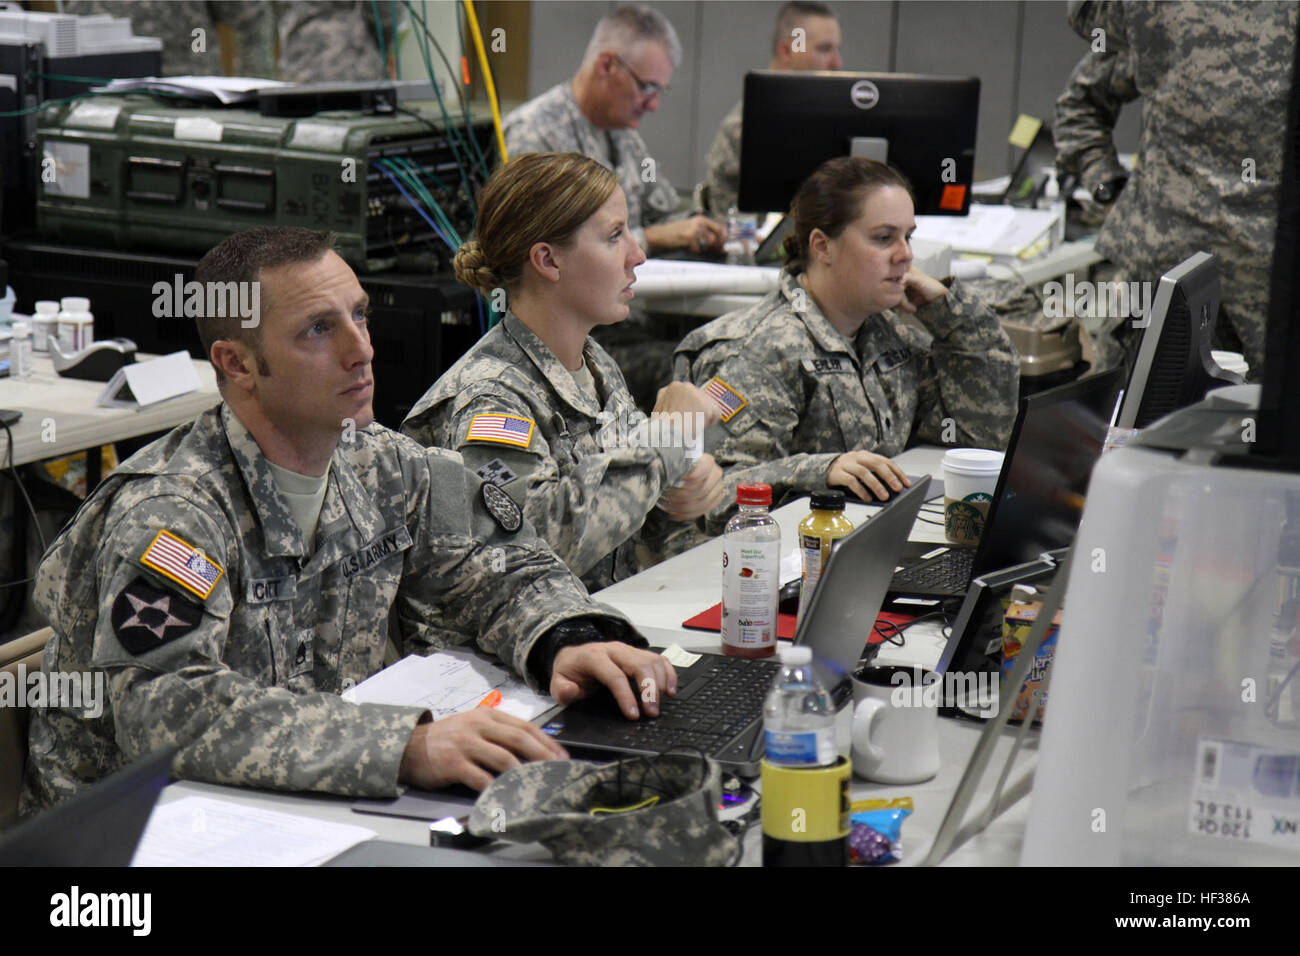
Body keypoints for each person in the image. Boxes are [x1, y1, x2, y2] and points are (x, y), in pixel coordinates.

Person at [20, 227, 677, 815]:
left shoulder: (385, 463)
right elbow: (166, 710)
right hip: (137, 834)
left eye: (359, 316)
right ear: (237, 363)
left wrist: (566, 636)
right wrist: (405, 747)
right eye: (317, 329)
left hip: (300, 807)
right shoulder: (174, 512)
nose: (361, 348)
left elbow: (501, 561)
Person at [403, 153, 726, 591]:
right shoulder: (490, 398)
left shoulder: (594, 364)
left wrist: (676, 487)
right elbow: (535, 549)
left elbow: (615, 525)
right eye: (614, 236)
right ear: (549, 262)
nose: (638, 254)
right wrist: (668, 438)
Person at [674, 158, 1019, 532]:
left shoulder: (886, 332)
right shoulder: (758, 351)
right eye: (884, 238)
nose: (906, 255)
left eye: (908, 236)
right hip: (771, 567)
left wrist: (953, 315)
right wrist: (822, 471)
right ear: (822, 246)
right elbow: (715, 502)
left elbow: (979, 437)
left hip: (865, 539)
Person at [1061, 0, 1297, 376]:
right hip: (1165, 266)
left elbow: (1084, 13)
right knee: (1134, 417)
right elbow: (1081, 104)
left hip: (1263, 282)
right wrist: (1107, 185)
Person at [501, 5, 724, 257]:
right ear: (607, 65)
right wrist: (650, 239)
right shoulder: (534, 135)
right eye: (646, 87)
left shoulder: (622, 132)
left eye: (659, 91)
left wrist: (700, 226)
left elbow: (664, 211)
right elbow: (543, 251)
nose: (653, 105)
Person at [705, 1, 844, 217]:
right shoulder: (746, 128)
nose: (837, 62)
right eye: (824, 49)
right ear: (788, 50)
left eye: (837, 49)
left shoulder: (814, 120)